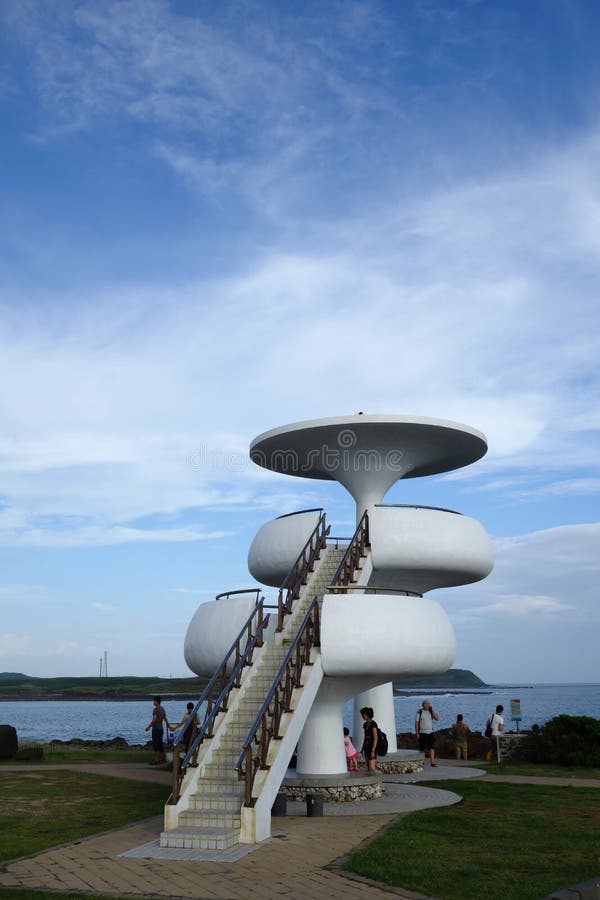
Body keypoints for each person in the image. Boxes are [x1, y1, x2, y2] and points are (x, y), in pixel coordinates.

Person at [144, 695, 170, 765]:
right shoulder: (162, 709)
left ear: (156, 701)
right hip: (161, 729)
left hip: (156, 729)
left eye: (154, 701)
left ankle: (156, 760)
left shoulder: (155, 709)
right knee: (160, 744)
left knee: (156, 745)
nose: (153, 702)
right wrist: (169, 726)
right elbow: (165, 718)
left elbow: (154, 719)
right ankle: (161, 759)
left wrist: (148, 727)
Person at [415, 698, 439, 766]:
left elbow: (437, 718)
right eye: (426, 704)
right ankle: (421, 762)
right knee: (422, 748)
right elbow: (416, 724)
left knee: (431, 747)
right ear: (423, 705)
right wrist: (417, 733)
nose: (427, 705)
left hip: (430, 732)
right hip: (422, 732)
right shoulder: (419, 712)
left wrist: (432, 710)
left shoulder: (431, 712)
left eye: (428, 704)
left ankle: (432, 762)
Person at [360, 706, 379, 774]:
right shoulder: (365, 724)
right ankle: (376, 784)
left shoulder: (373, 724)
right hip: (366, 748)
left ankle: (379, 784)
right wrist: (362, 749)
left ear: (366, 715)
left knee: (372, 768)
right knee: (368, 767)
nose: (362, 716)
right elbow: (365, 737)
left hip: (372, 748)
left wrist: (373, 751)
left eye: (363, 715)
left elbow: (375, 738)